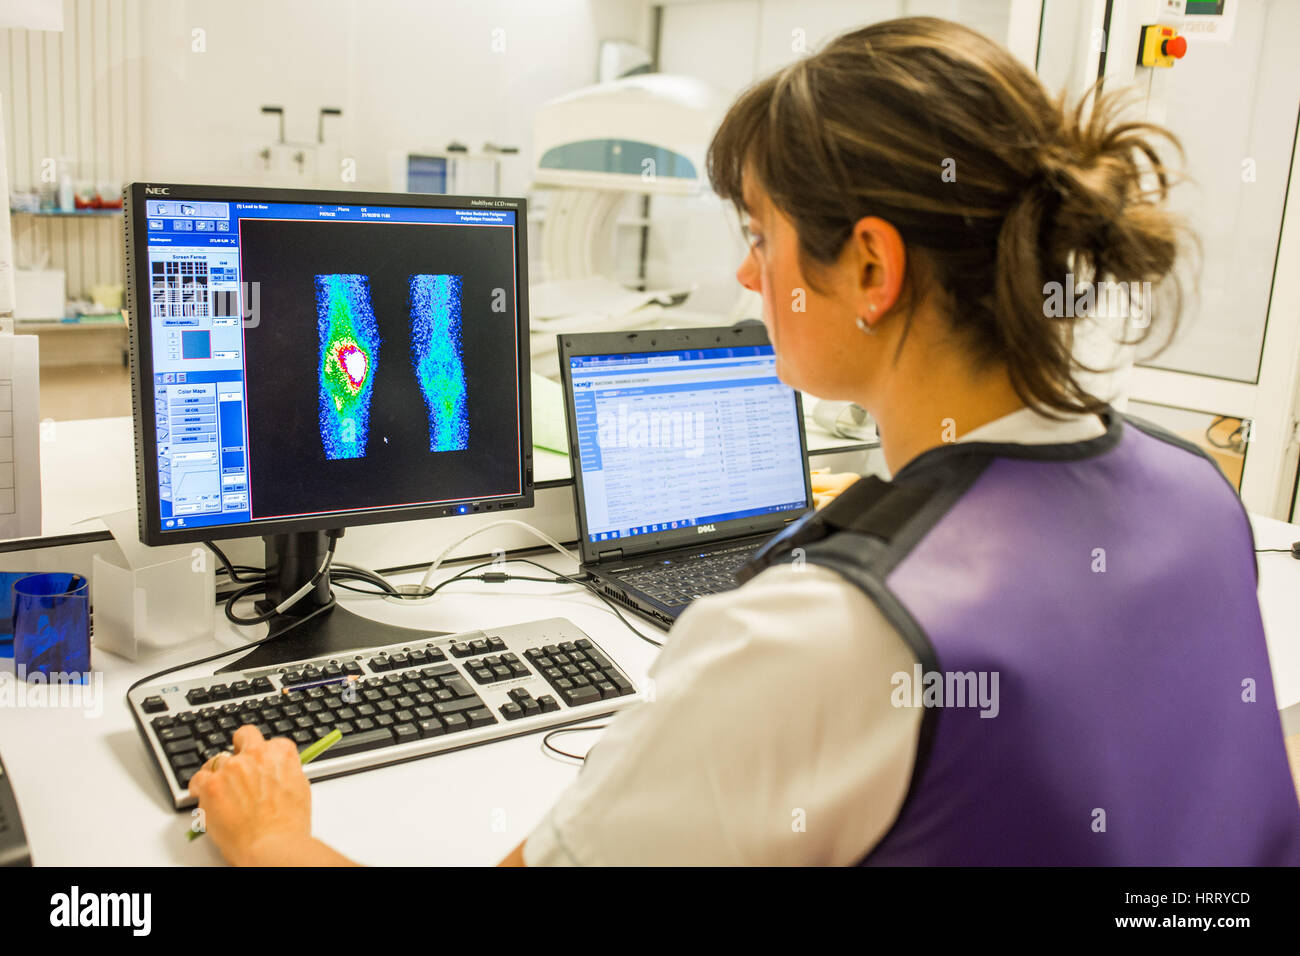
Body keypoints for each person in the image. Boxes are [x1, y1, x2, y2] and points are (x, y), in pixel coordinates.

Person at [188, 16, 1300, 866]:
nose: (743, 274)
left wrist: (275, 837)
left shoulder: (823, 630)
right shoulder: (1194, 490)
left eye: (759, 234)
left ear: (870, 266)